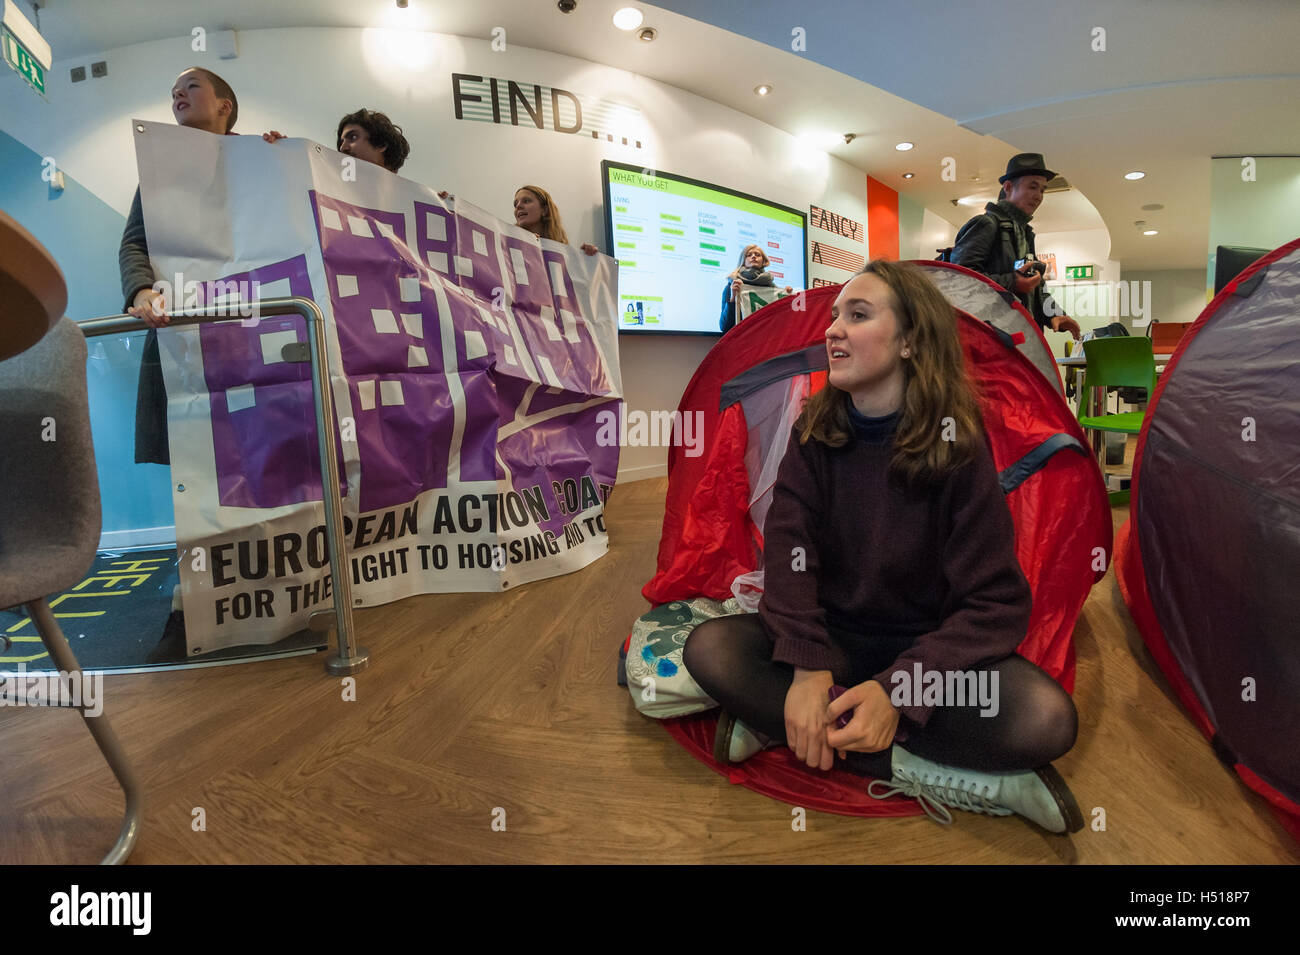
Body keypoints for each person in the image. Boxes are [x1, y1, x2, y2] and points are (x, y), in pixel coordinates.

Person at [682, 259, 1083, 834]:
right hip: (835, 640)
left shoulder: (956, 447)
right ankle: (907, 758)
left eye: (859, 315)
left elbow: (995, 606)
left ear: (910, 343)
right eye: (835, 316)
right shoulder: (813, 435)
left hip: (926, 652)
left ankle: (797, 728)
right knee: (710, 650)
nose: (832, 330)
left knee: (1044, 720)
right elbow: (790, 562)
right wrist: (806, 668)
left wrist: (900, 689)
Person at [120, 66, 240, 465]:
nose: (178, 95)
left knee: (265, 440)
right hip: (183, 329)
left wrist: (282, 157)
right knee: (195, 458)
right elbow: (135, 242)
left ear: (225, 105)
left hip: (251, 323)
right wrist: (141, 290)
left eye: (191, 86)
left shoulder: (263, 159)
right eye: (173, 92)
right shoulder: (159, 170)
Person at [950, 152, 1082, 340]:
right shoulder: (986, 224)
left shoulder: (1024, 233)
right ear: (1009, 187)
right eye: (1032, 187)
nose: (1038, 196)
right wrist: (1011, 282)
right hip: (988, 340)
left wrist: (1056, 314)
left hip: (1019, 339)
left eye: (1043, 190)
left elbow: (1036, 284)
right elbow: (958, 280)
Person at [262, 108, 411, 173]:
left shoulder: (414, 207)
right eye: (341, 142)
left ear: (381, 144)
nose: (342, 148)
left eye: (353, 137)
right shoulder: (328, 188)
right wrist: (284, 155)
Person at [719, 243, 794, 333]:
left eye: (757, 255)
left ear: (763, 261)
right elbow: (724, 327)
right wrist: (733, 298)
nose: (753, 256)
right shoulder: (732, 286)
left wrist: (788, 297)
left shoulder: (771, 288)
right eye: (749, 255)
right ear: (743, 261)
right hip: (744, 343)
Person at [513, 185, 598, 255]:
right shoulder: (507, 246)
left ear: (544, 210)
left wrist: (587, 259)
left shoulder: (564, 253)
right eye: (515, 204)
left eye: (526, 201)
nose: (518, 206)